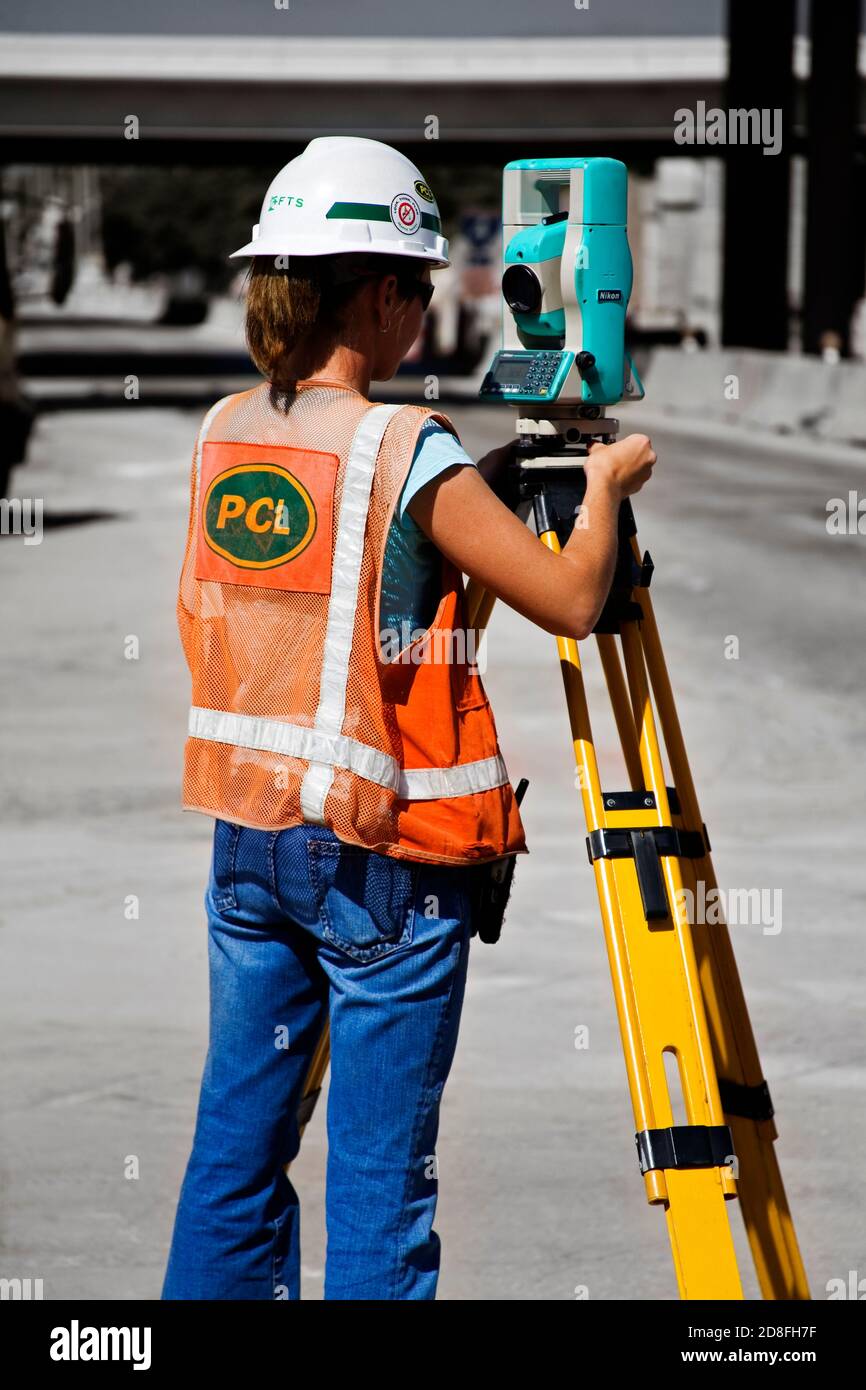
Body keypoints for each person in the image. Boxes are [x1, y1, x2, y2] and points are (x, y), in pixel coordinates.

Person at [161, 137, 656, 1302]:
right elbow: (575, 600)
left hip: (249, 847)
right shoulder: (405, 444)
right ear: (381, 293)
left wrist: (472, 485)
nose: (425, 314)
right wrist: (599, 487)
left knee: (234, 1165)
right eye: (420, 290)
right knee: (381, 1191)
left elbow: (352, 556)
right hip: (382, 863)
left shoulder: (232, 425)